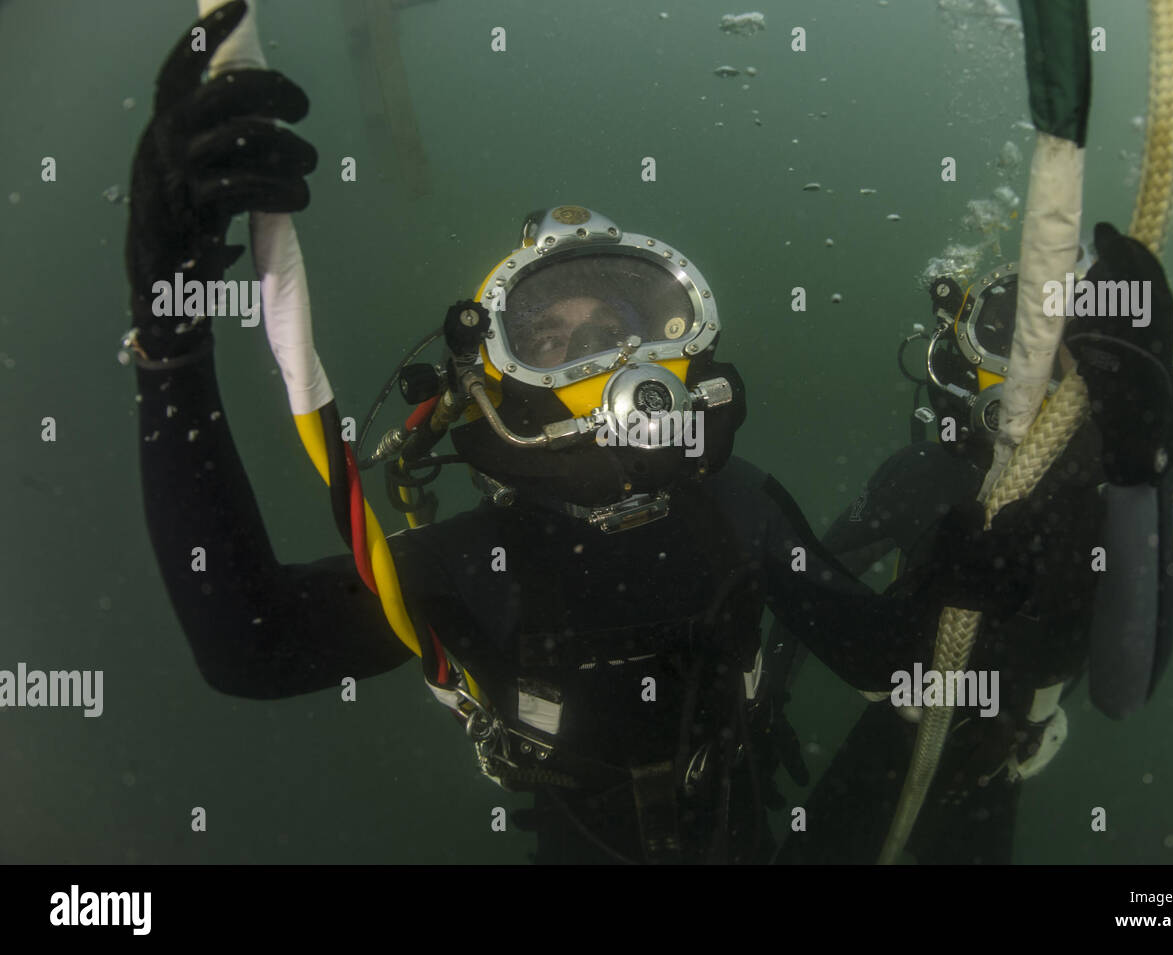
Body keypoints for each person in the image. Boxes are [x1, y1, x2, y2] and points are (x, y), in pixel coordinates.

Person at [122, 1, 1043, 864]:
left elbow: (880, 655)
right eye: (545, 341)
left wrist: (949, 580)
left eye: (612, 332)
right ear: (498, 384)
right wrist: (170, 341)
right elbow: (248, 645)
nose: (597, 362)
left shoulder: (739, 506)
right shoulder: (478, 563)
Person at [771, 234, 1173, 863]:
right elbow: (813, 576)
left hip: (1000, 758)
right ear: (963, 350)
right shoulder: (918, 476)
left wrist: (1149, 465)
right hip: (894, 737)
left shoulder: (1112, 493)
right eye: (1008, 334)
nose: (1030, 364)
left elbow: (1123, 688)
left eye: (1057, 345)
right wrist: (765, 699)